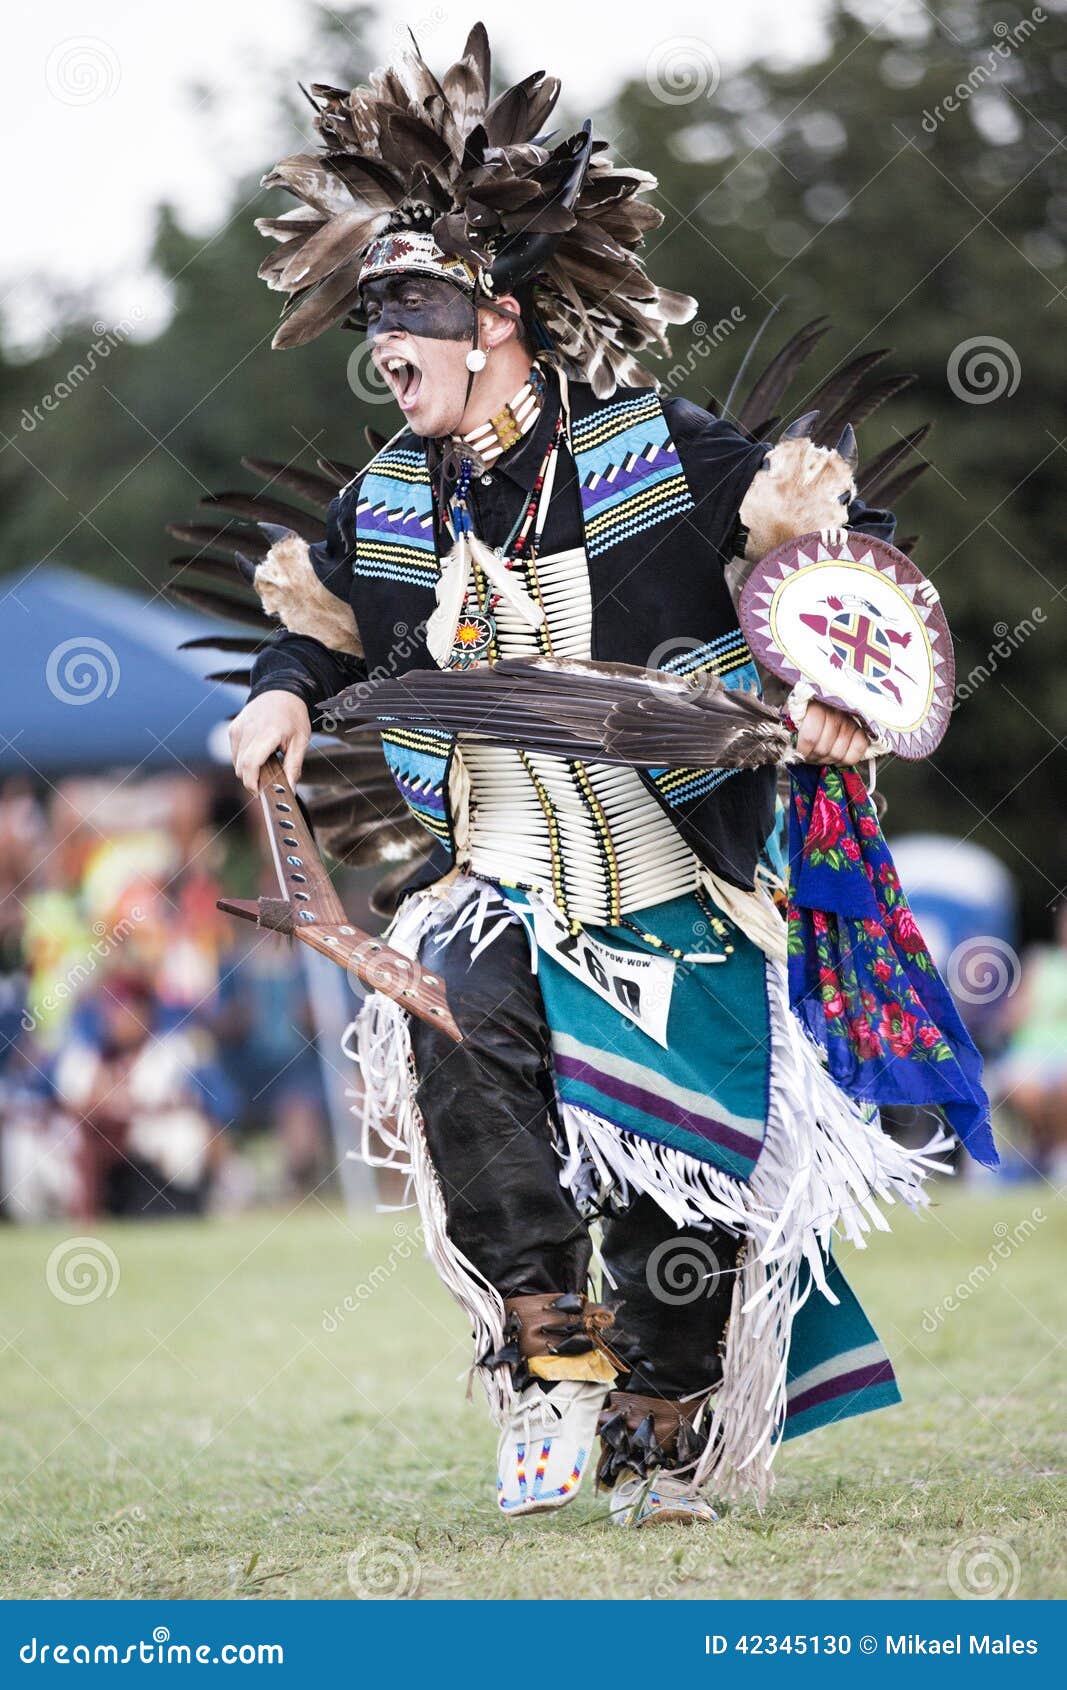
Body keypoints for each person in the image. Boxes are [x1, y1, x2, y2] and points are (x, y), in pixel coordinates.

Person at [224, 24, 986, 1525]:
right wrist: (277, 693)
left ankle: (669, 1417)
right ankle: (545, 1357)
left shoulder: (654, 455)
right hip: (501, 872)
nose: (389, 340)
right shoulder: (388, 499)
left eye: (416, 307)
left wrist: (839, 695)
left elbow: (835, 559)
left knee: (670, 1190)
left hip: (671, 881)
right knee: (456, 1005)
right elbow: (318, 625)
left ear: (497, 317)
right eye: (374, 311)